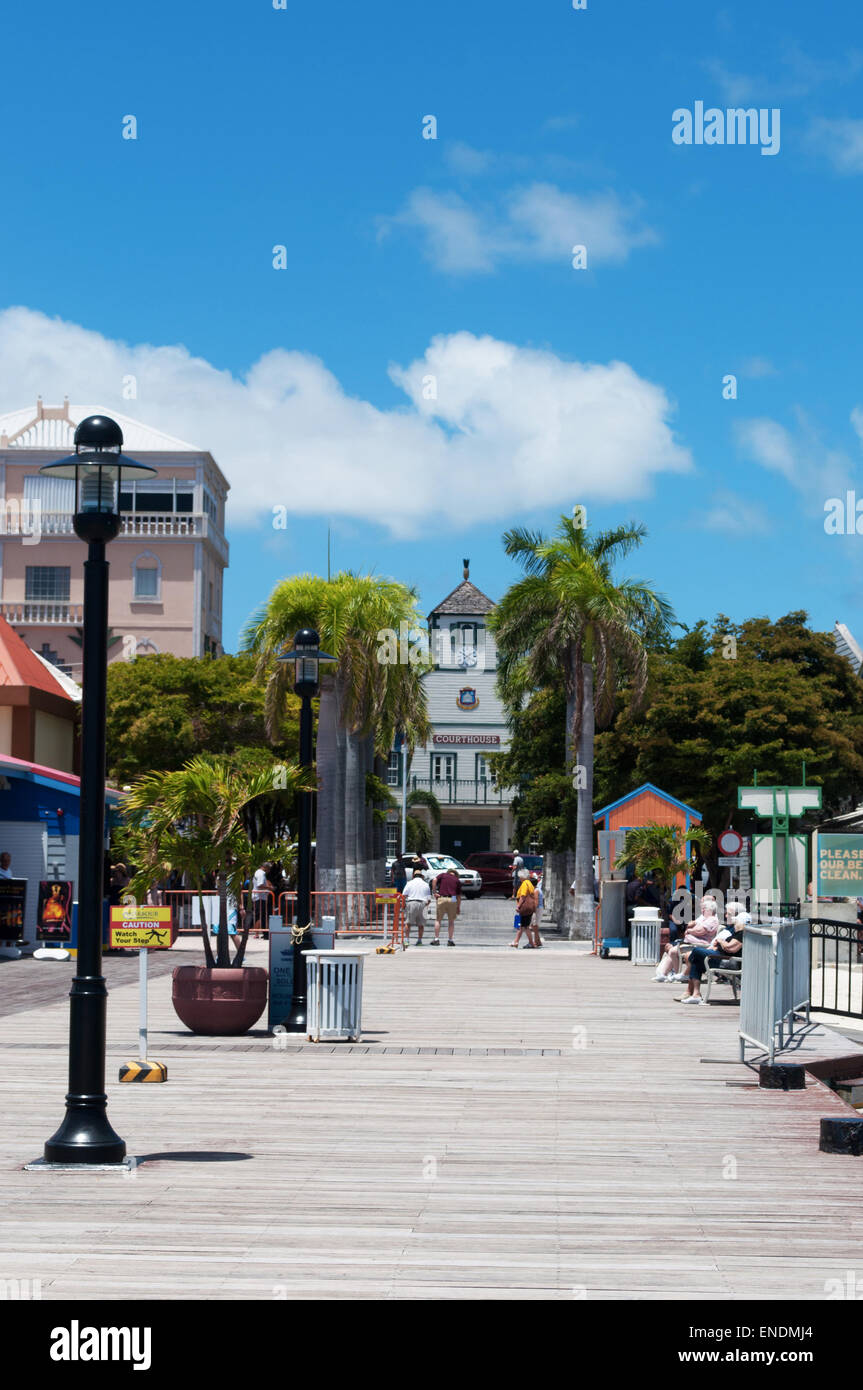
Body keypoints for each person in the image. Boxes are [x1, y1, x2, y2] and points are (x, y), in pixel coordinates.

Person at [677, 913, 747, 1004]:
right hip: (720, 956)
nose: (735, 924)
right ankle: (696, 994)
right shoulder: (738, 933)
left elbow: (731, 948)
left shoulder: (742, 934)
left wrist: (721, 941)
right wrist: (718, 945)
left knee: (696, 951)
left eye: (736, 922)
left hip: (727, 960)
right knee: (696, 961)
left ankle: (687, 979)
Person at [653, 898, 719, 981]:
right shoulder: (703, 918)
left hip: (700, 944)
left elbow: (700, 931)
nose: (702, 910)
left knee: (673, 951)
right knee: (671, 949)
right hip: (691, 943)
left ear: (710, 910)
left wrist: (689, 931)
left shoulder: (712, 919)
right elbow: (692, 925)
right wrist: (691, 928)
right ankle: (664, 974)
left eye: (704, 909)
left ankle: (676, 975)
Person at [432, 864, 461, 946]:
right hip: (453, 898)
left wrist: (434, 892)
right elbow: (458, 896)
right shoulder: (457, 880)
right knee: (451, 921)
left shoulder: (443, 875)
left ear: (449, 872)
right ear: (455, 874)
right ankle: (450, 940)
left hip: (442, 897)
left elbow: (434, 880)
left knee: (438, 920)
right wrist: (458, 907)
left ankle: (436, 939)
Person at [512, 869, 541, 948]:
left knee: (524, 926)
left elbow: (523, 896)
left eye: (519, 877)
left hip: (525, 908)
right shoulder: (530, 883)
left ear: (522, 877)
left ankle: (527, 943)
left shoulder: (524, 884)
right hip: (530, 908)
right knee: (524, 926)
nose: (519, 879)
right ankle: (516, 942)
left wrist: (519, 906)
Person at [402, 868, 432, 943]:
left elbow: (404, 895)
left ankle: (407, 940)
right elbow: (429, 899)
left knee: (408, 923)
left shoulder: (409, 883)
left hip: (411, 903)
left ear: (413, 876)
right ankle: (419, 941)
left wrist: (403, 905)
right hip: (422, 903)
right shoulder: (426, 884)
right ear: (421, 876)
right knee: (421, 924)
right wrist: (426, 907)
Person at [252, 862, 271, 935]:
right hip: (259, 897)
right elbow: (260, 885)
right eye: (269, 869)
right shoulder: (261, 873)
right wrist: (269, 887)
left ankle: (260, 933)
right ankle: (260, 933)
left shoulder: (258, 872)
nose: (269, 871)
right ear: (266, 867)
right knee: (260, 915)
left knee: (260, 915)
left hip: (259, 897)